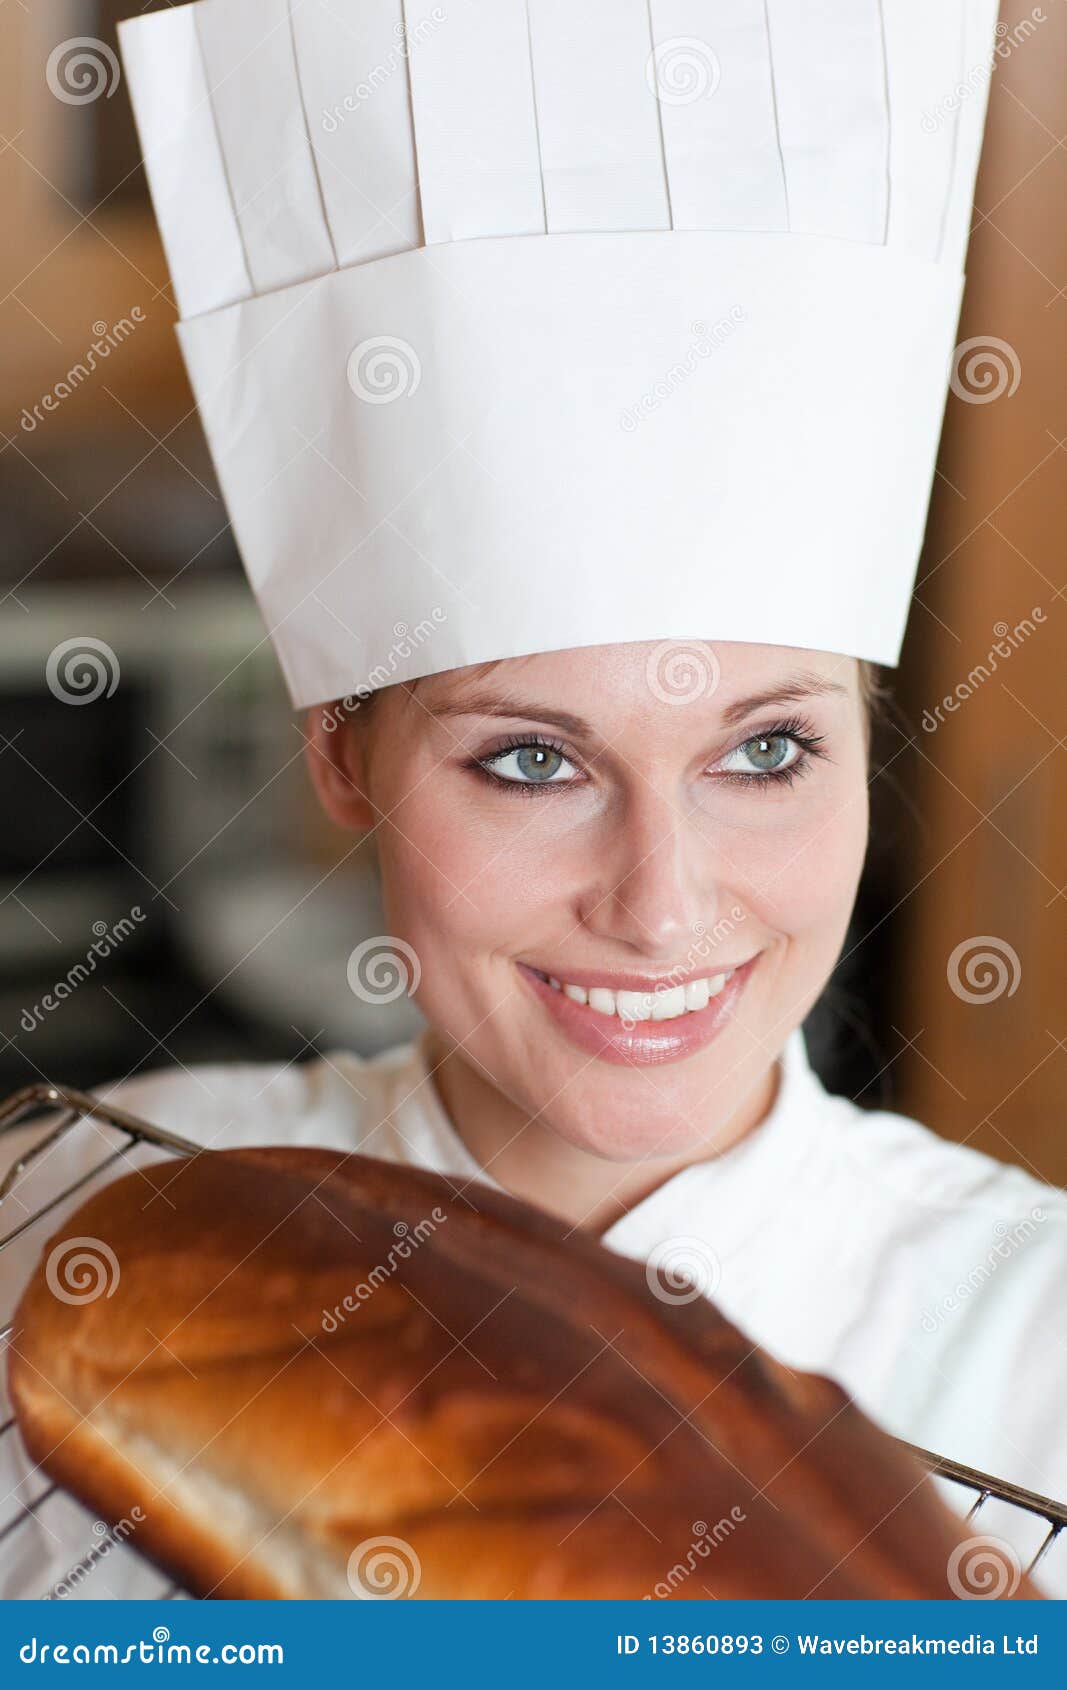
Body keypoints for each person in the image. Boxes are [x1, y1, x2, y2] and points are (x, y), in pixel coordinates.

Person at [4, 0, 1065, 1601]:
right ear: (342, 754)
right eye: (532, 759)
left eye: (764, 750)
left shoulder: (1035, 1335)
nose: (662, 900)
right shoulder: (82, 1223)